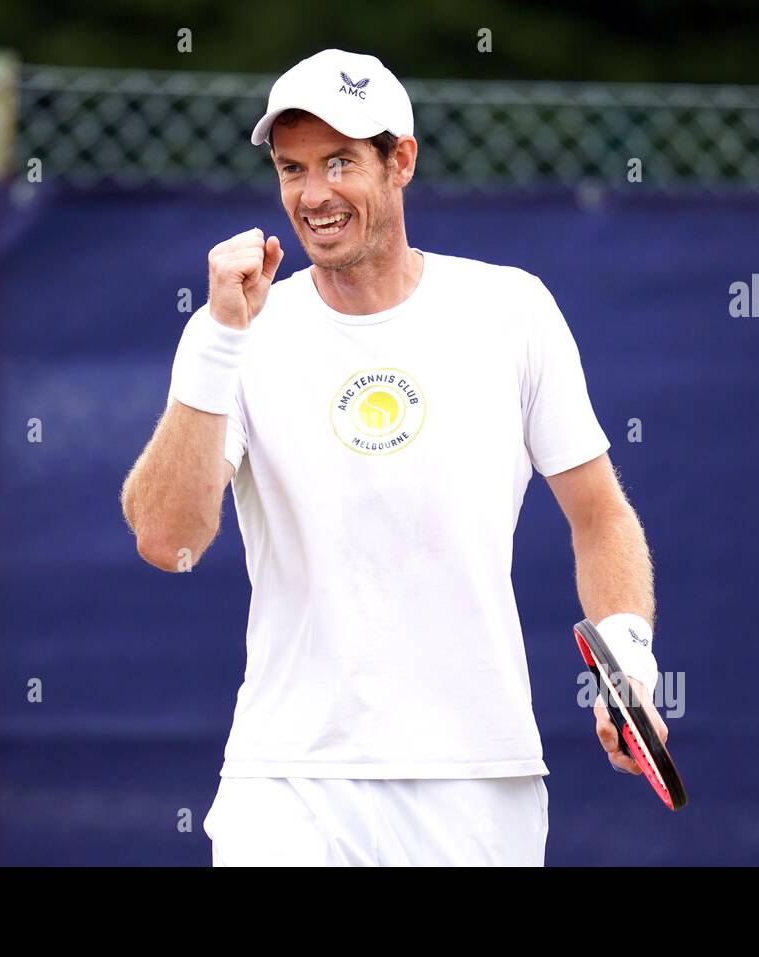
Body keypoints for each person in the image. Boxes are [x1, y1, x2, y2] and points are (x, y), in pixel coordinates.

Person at [120, 48, 669, 866]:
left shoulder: (510, 309)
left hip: (480, 786)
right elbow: (168, 541)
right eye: (292, 168)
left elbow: (600, 514)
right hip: (288, 785)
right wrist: (218, 341)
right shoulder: (235, 330)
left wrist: (627, 656)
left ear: (400, 160)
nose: (313, 196)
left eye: (339, 162)